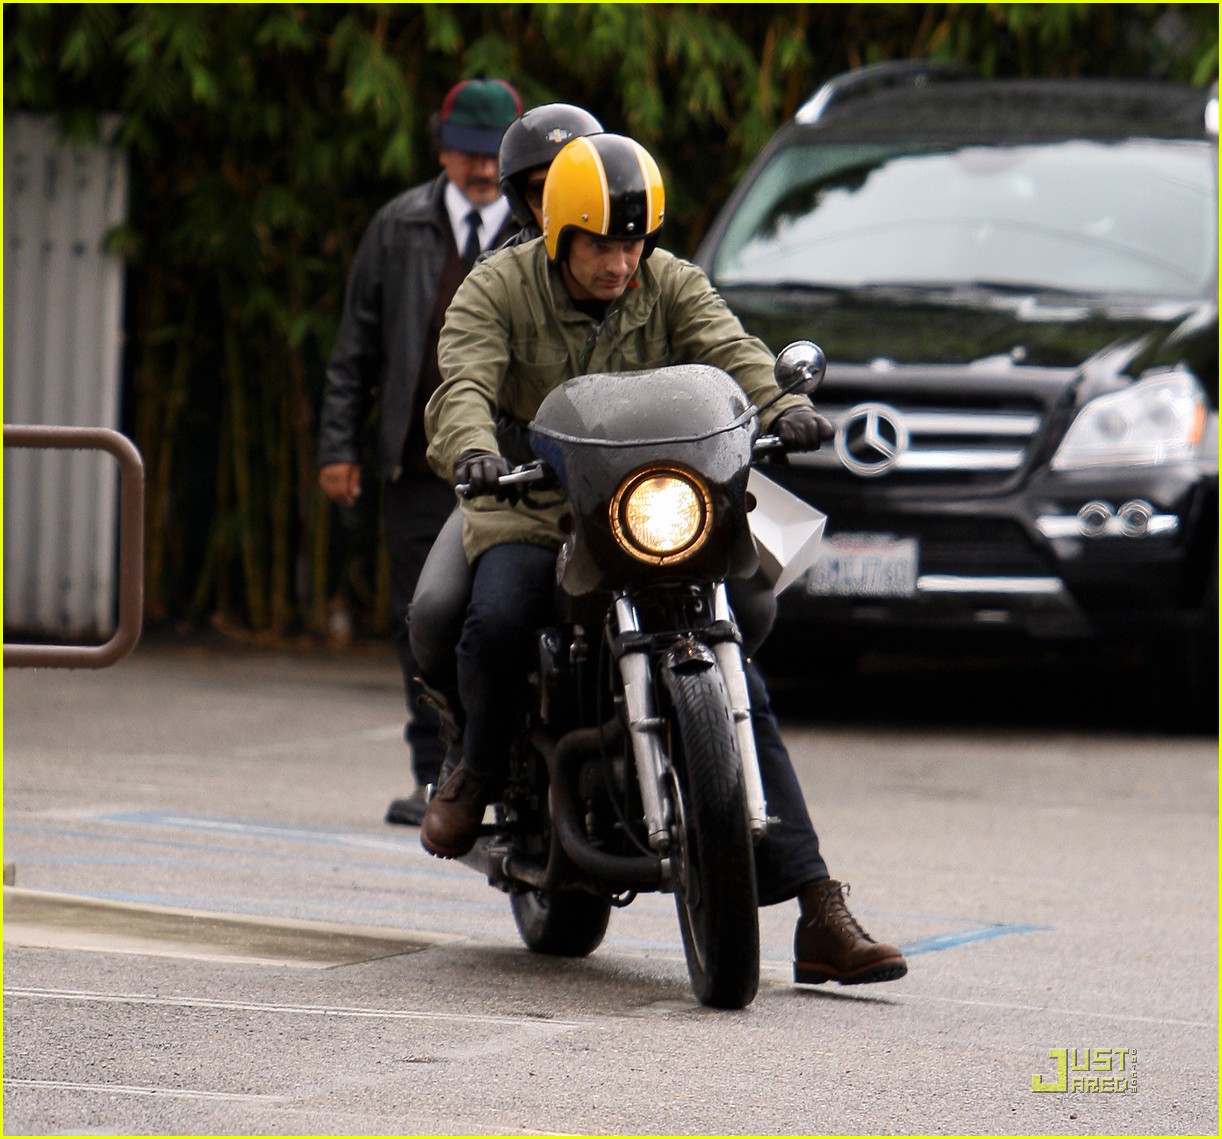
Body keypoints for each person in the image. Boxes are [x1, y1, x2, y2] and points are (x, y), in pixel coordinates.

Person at [419, 132, 908, 987]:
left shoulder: (671, 282)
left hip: (659, 507)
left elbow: (732, 347)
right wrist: (471, 449)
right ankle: (479, 767)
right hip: (539, 508)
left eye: (632, 243)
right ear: (559, 231)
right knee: (496, 617)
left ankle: (816, 905)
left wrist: (779, 404)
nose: (620, 262)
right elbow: (461, 380)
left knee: (741, 665)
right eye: (603, 245)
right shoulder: (498, 287)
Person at [318, 78, 523, 827]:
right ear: (442, 151)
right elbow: (356, 349)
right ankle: (433, 770)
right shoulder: (398, 224)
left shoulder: (545, 225)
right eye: (466, 154)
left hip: (512, 465)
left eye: (491, 155)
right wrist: (340, 446)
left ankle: (504, 765)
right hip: (417, 462)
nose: (478, 170)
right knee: (422, 618)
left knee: (502, 615)